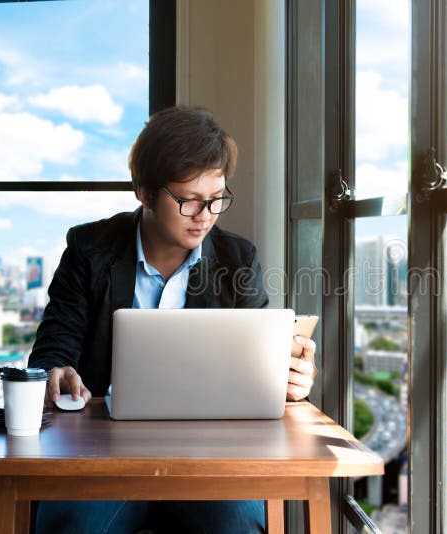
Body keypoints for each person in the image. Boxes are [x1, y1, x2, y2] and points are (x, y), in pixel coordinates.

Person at [28, 105, 317, 533]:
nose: (206, 216)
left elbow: (262, 357)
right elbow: (55, 342)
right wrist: (55, 369)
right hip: (103, 451)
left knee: (238, 524)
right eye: (188, 201)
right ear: (145, 193)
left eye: (217, 199)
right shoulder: (89, 249)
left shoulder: (238, 260)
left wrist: (292, 377)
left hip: (209, 456)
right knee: (69, 523)